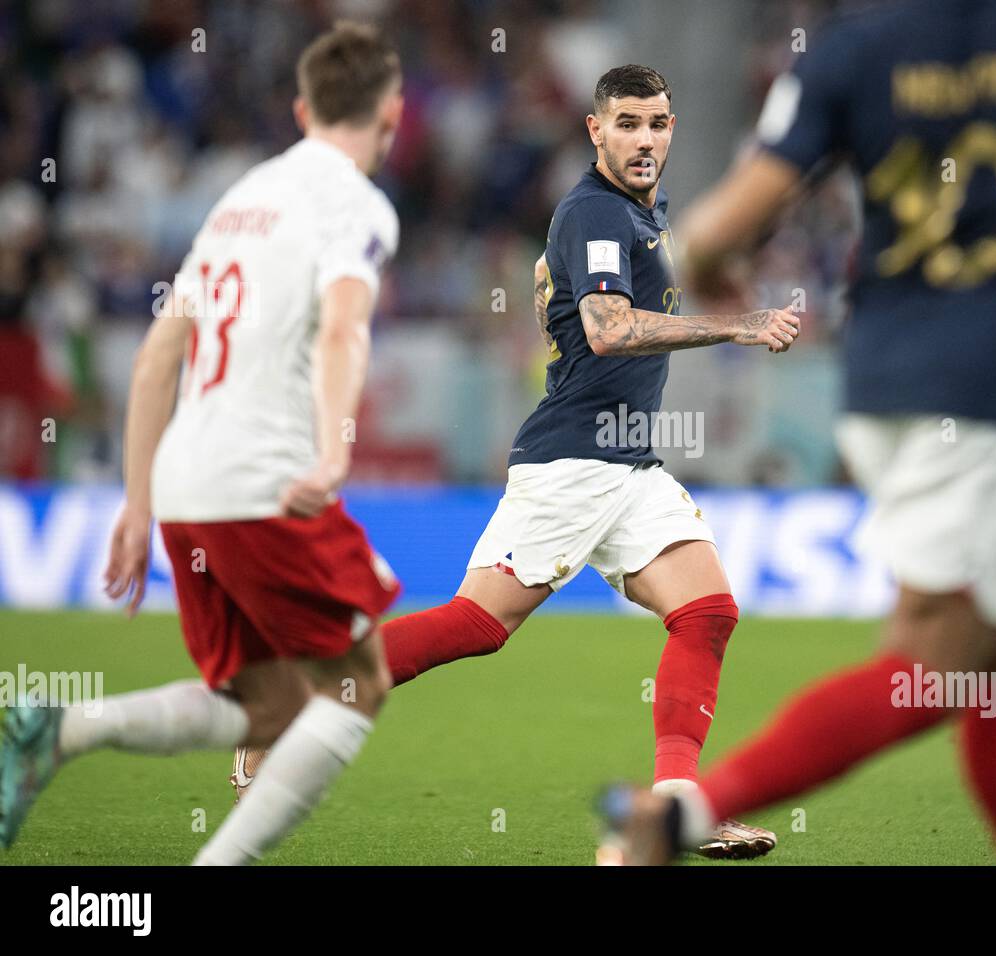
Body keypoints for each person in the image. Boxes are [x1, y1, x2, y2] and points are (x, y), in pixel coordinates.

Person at [600, 0, 996, 864]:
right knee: (936, 669)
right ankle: (677, 817)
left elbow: (713, 233)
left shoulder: (850, 52)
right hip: (987, 397)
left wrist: (721, 276)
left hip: (880, 388)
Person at [233, 64, 801, 860]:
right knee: (477, 625)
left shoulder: (635, 213)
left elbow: (554, 284)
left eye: (660, 122)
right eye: (629, 123)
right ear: (595, 130)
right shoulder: (598, 212)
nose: (647, 139)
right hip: (572, 462)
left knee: (706, 612)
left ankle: (675, 803)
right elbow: (606, 326)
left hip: (628, 464)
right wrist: (736, 324)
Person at [0, 22, 405, 865]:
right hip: (263, 483)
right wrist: (333, 453)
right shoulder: (357, 205)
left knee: (266, 709)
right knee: (358, 685)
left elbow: (158, 355)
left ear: (301, 109)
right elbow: (343, 329)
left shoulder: (240, 199)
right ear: (393, 113)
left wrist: (138, 499)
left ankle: (58, 725)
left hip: (185, 485)